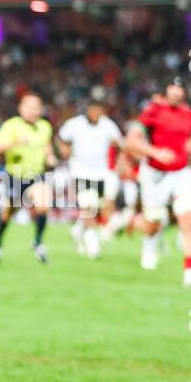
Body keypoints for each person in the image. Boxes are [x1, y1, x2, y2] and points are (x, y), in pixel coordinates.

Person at [130, 81, 191, 286]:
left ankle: (190, 272)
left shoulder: (188, 114)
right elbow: (132, 141)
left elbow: (187, 139)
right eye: (172, 93)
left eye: (180, 94)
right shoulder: (151, 112)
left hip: (180, 173)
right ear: (163, 95)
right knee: (154, 220)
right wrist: (156, 153)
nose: (176, 97)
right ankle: (149, 243)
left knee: (187, 218)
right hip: (155, 174)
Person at [0, 93, 55, 266]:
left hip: (36, 176)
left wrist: (50, 156)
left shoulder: (45, 126)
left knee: (43, 204)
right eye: (29, 107)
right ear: (21, 108)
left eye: (36, 108)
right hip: (15, 176)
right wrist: (15, 143)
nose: (33, 111)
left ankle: (38, 242)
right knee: (8, 213)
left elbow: (46, 144)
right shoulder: (12, 126)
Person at [57, 97, 123, 260]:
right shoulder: (75, 124)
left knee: (104, 205)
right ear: (87, 110)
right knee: (88, 208)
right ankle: (93, 245)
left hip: (102, 173)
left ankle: (77, 230)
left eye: (99, 109)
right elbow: (61, 139)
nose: (96, 113)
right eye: (93, 109)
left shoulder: (107, 125)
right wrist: (64, 150)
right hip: (81, 172)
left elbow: (119, 143)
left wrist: (120, 162)